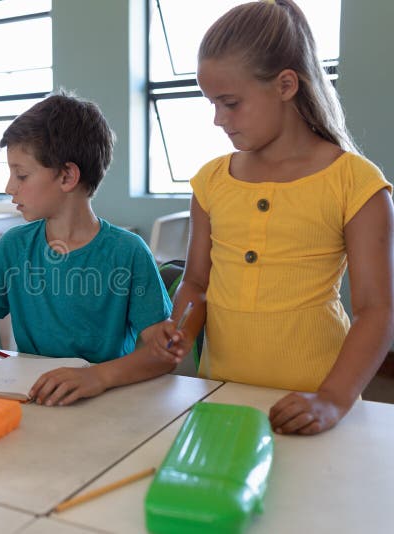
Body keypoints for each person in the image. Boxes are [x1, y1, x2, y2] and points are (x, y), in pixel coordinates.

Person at [153, 0, 394, 435]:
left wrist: (331, 400)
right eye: (212, 103)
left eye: (230, 103)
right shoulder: (211, 181)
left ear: (285, 85)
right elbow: (196, 284)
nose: (217, 119)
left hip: (316, 401)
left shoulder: (355, 182)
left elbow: (377, 311)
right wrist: (180, 330)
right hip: (221, 395)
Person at [0, 93, 175, 406]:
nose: (9, 187)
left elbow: (163, 355)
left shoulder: (128, 253)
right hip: (34, 403)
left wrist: (99, 377)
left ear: (66, 176)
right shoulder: (13, 246)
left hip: (110, 405)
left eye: (21, 175)